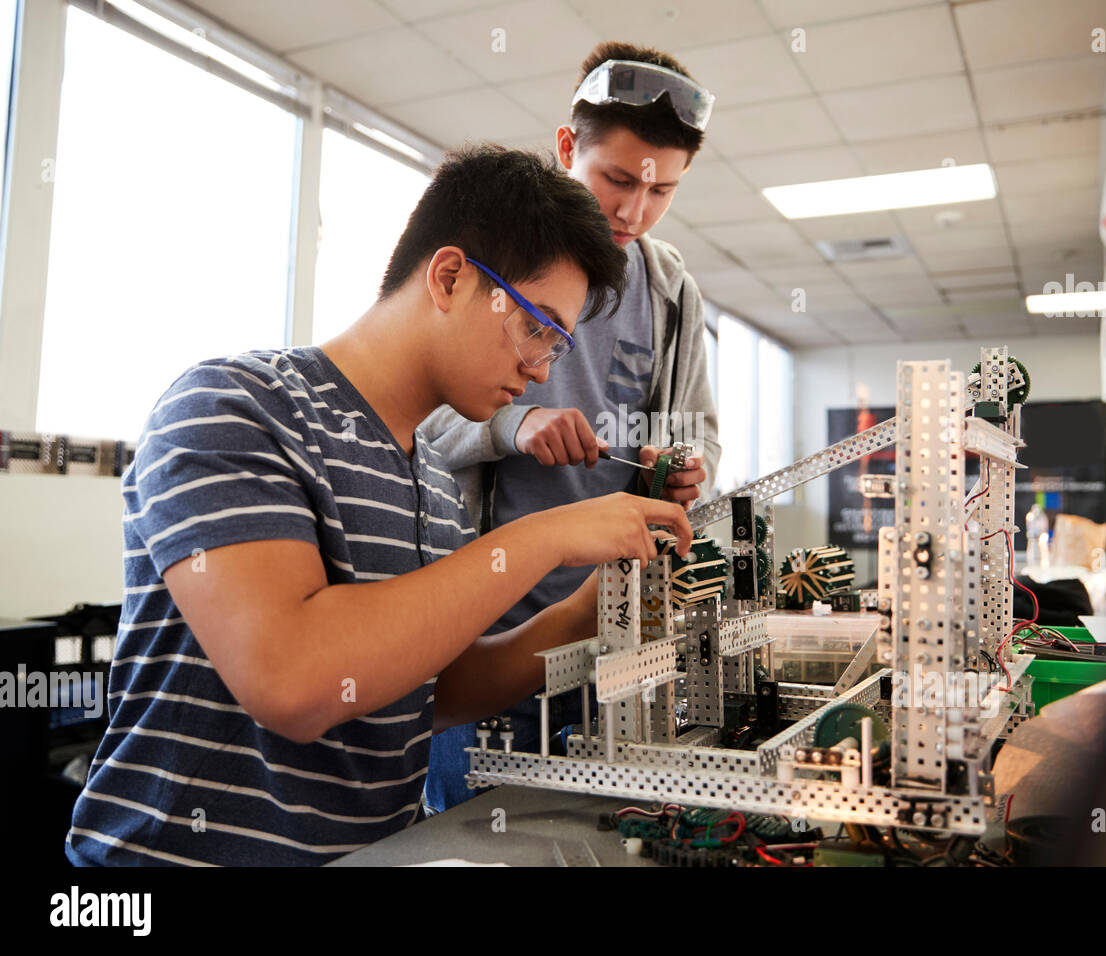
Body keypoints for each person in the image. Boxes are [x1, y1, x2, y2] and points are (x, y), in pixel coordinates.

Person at [65, 145, 692, 866]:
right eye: (535, 327)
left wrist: (581, 615)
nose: (542, 368)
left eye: (557, 343)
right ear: (451, 277)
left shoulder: (428, 473)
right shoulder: (233, 406)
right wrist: (546, 538)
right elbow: (293, 677)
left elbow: (428, 689)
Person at [421, 42, 721, 812]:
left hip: (604, 639)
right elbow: (413, 427)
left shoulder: (671, 290)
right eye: (617, 179)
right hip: (479, 638)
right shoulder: (493, 262)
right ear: (565, 148)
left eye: (661, 191)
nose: (632, 211)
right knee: (461, 841)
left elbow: (702, 434)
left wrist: (688, 467)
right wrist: (511, 427)